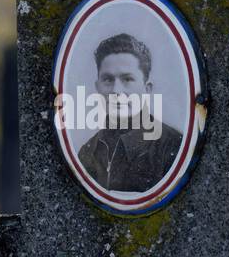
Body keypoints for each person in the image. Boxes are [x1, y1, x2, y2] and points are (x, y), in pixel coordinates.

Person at [76, 33, 182, 192]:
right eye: (108, 79)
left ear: (147, 89)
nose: (116, 91)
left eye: (127, 79)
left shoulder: (173, 146)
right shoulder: (88, 152)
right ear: (98, 88)